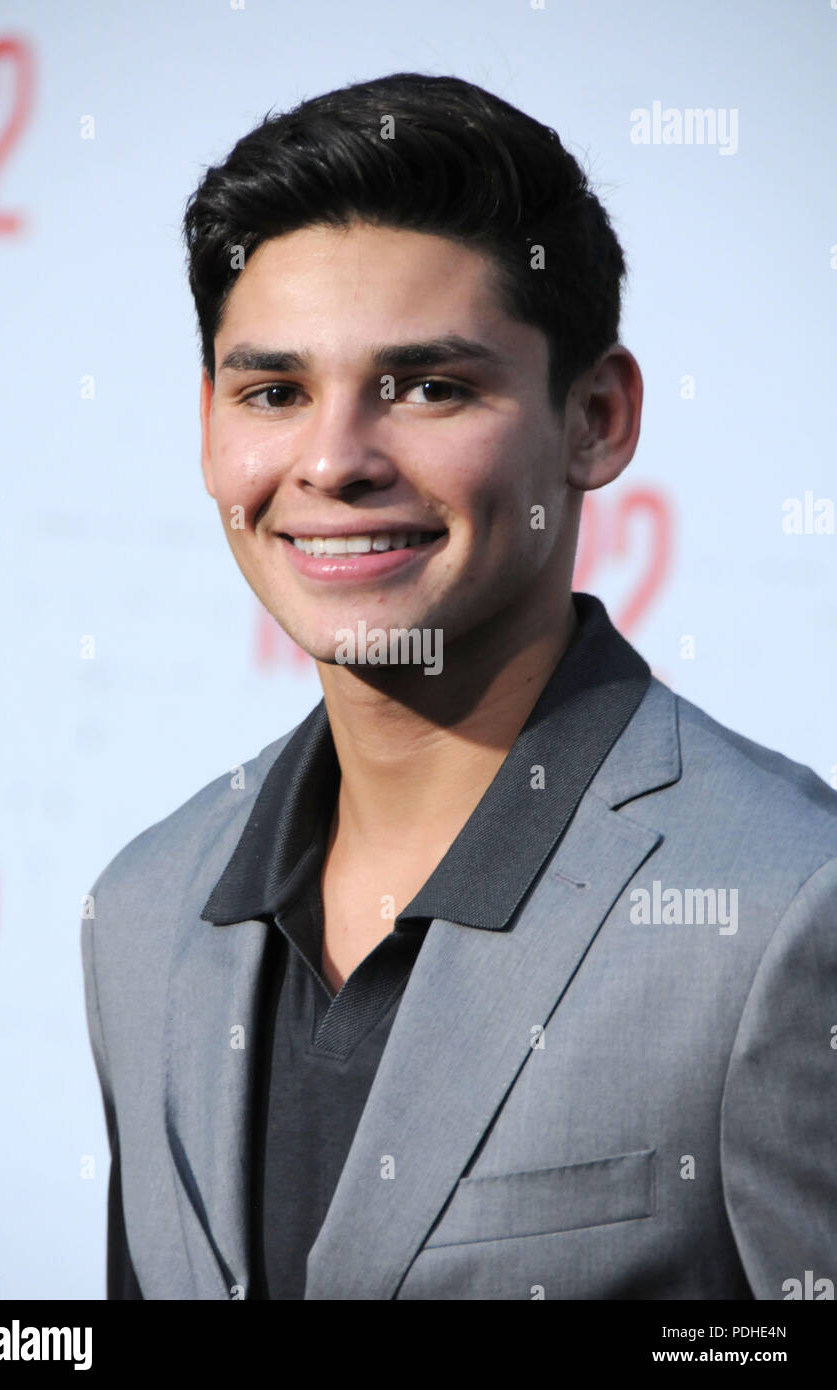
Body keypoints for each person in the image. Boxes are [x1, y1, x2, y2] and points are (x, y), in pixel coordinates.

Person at [81, 71, 837, 1300]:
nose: (333, 461)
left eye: (428, 387)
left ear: (595, 418)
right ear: (211, 425)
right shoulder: (144, 909)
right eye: (274, 393)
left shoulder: (786, 910)